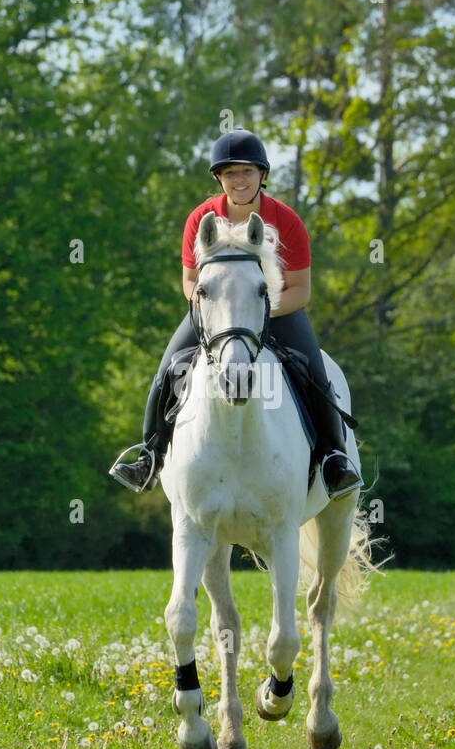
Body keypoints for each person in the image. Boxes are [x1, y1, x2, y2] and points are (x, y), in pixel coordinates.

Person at [109, 128, 363, 499]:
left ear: (262, 175)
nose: (239, 180)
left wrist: (253, 312)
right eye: (230, 173)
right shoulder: (200, 218)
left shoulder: (287, 221)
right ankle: (149, 455)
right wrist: (216, 309)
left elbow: (301, 291)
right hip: (214, 314)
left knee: (314, 373)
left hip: (277, 309)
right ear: (219, 179)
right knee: (168, 370)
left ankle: (333, 459)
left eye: (246, 171)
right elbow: (189, 281)